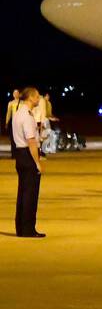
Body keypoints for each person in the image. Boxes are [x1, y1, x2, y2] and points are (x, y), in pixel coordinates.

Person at [11, 87, 44, 237]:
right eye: (37, 96)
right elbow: (31, 141)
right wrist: (37, 162)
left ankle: (21, 228)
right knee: (30, 194)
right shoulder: (28, 116)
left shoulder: (18, 113)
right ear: (30, 98)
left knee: (22, 193)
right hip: (27, 155)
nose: (39, 99)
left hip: (19, 154)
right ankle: (28, 229)